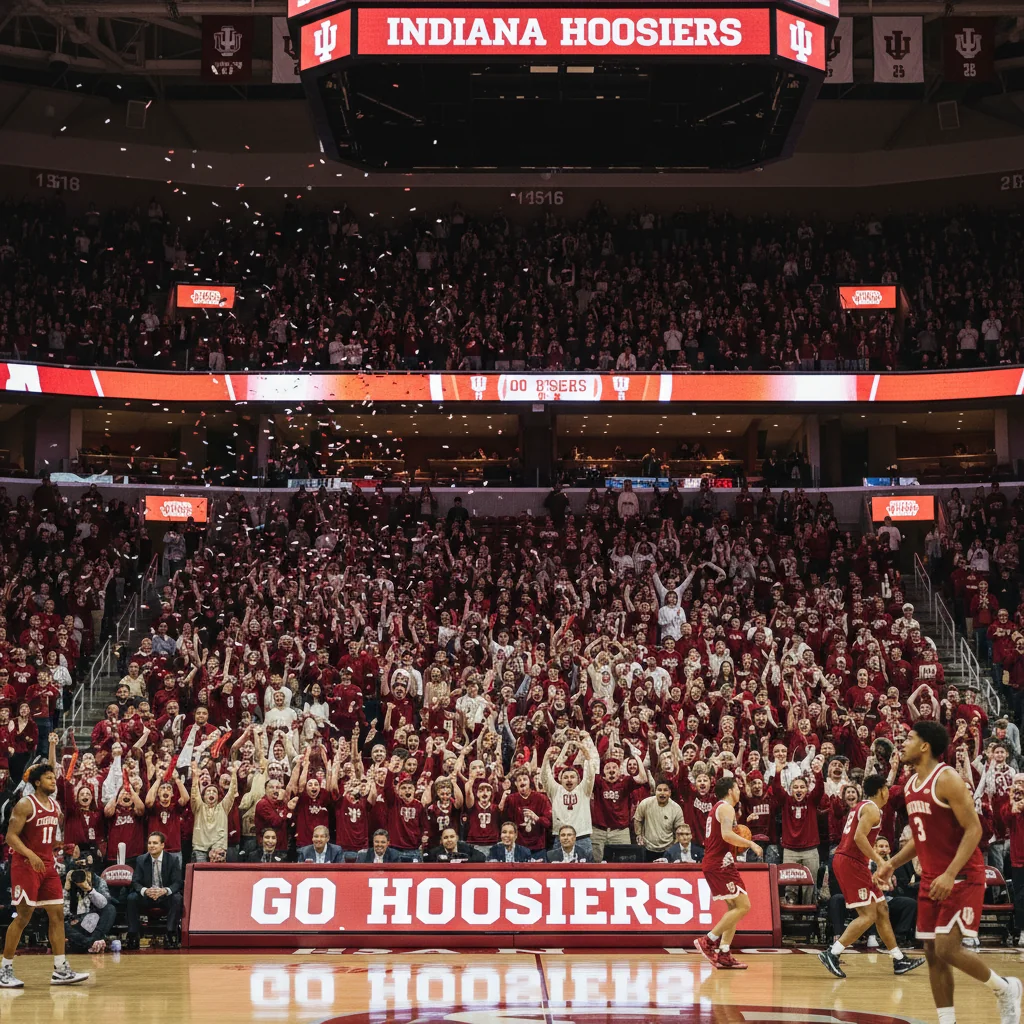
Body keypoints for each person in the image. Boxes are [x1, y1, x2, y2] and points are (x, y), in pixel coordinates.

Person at [875, 722, 1022, 1024]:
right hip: (932, 877)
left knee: (946, 947)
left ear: (925, 745)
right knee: (931, 951)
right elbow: (920, 838)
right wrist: (892, 863)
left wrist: (950, 872)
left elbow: (974, 829)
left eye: (909, 739)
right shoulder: (912, 784)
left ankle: (1006, 988)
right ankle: (947, 1020)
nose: (902, 744)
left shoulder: (948, 779)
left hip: (962, 875)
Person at [818, 774, 925, 978]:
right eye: (887, 789)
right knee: (868, 915)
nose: (889, 794)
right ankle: (832, 953)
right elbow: (858, 838)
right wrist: (881, 861)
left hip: (855, 862)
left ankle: (898, 959)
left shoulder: (863, 806)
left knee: (882, 909)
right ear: (881, 790)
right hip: (850, 862)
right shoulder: (871, 809)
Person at [1, 761, 89, 987]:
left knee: (58, 914)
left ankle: (60, 969)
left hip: (47, 864)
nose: (53, 780)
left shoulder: (54, 806)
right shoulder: (24, 804)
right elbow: (11, 837)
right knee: (23, 916)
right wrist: (31, 855)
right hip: (25, 864)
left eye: (53, 777)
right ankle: (5, 969)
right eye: (49, 777)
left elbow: (47, 838)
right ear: (38, 782)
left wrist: (62, 845)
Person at [694, 776, 763, 970]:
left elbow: (725, 834)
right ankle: (708, 941)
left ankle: (724, 953)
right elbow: (726, 835)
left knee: (734, 909)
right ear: (731, 790)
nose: (740, 791)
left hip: (718, 862)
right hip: (720, 864)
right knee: (744, 906)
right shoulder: (725, 807)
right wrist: (750, 843)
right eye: (738, 788)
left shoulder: (720, 808)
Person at [126, 831, 184, 951]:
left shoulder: (172, 859)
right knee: (131, 898)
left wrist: (165, 891)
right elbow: (135, 882)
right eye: (149, 843)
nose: (152, 845)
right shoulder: (141, 859)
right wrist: (145, 891)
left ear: (162, 845)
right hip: (147, 896)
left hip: (165, 896)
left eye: (155, 843)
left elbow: (178, 882)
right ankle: (133, 935)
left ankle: (170, 934)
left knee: (177, 898)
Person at [63, 861, 116, 954]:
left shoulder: (98, 881)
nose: (83, 877)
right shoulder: (68, 882)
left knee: (110, 909)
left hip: (95, 923)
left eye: (86, 873)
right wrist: (66, 889)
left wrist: (89, 889)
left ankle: (92, 941)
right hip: (77, 925)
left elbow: (104, 904)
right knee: (59, 923)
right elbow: (62, 913)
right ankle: (92, 943)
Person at [634, 781, 685, 860]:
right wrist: (639, 835)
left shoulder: (676, 808)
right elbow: (637, 819)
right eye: (659, 790)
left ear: (670, 792)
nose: (662, 793)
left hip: (668, 850)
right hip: (648, 848)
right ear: (655, 791)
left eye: (665, 790)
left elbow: (680, 829)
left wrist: (674, 848)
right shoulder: (645, 803)